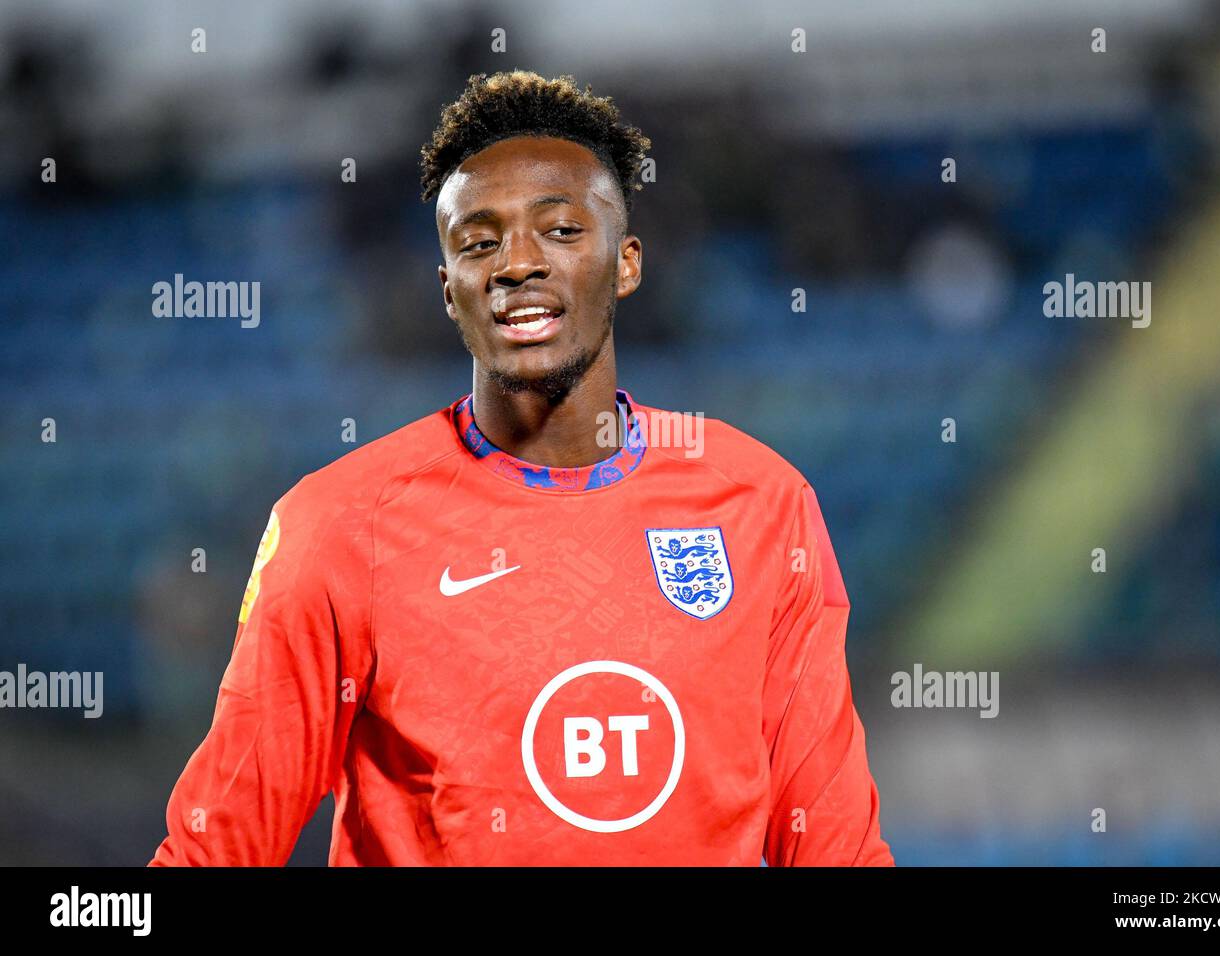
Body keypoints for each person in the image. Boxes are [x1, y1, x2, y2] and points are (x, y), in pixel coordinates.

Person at [149, 70, 893, 866]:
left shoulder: (761, 502)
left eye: (561, 231)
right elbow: (216, 850)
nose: (517, 264)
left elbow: (836, 846)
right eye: (479, 242)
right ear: (449, 288)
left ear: (627, 262)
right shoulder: (339, 526)